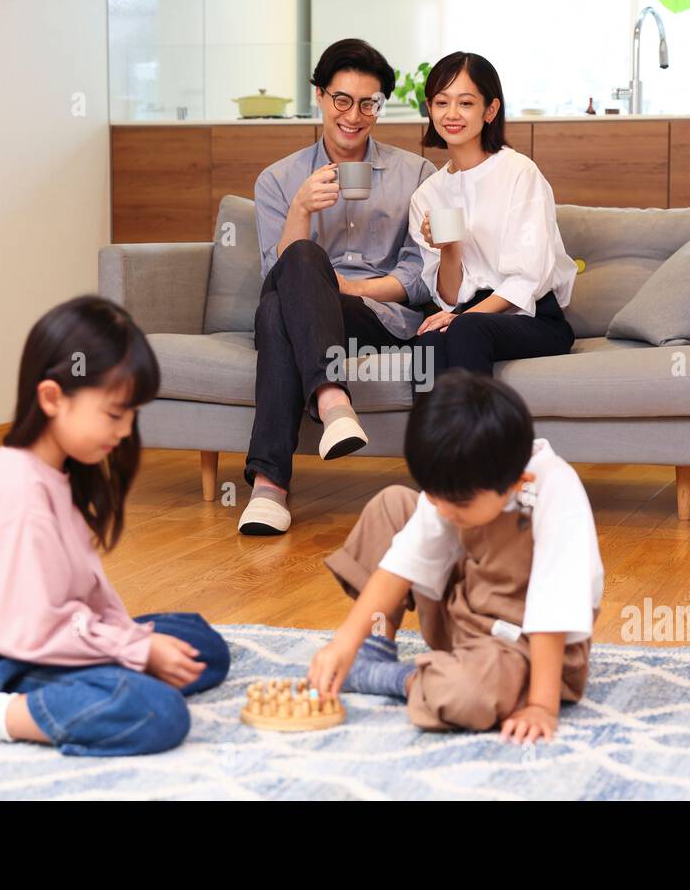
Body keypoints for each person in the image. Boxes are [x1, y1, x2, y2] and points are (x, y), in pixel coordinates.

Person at [0, 295, 230, 757]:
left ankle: (98, 682)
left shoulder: (58, 472)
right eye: (115, 414)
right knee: (158, 713)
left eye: (131, 415)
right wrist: (135, 651)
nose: (126, 431)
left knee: (201, 646)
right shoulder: (19, 493)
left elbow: (81, 600)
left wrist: (129, 641)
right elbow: (29, 630)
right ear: (52, 397)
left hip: (45, 633)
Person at [308, 369, 603, 744]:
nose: (442, 509)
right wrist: (345, 643)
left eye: (458, 504)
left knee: (466, 693)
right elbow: (404, 559)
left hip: (522, 653)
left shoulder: (555, 491)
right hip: (462, 619)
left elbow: (555, 601)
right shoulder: (458, 485)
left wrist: (541, 705)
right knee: (393, 505)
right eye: (433, 495)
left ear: (517, 484)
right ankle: (376, 649)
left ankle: (405, 680)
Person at [239, 38, 437, 536]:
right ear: (321, 98)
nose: (354, 115)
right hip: (303, 312)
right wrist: (301, 211)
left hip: (377, 318)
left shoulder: (416, 173)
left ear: (379, 107)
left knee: (275, 315)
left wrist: (350, 291)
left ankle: (270, 487)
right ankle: (333, 404)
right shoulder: (278, 181)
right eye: (342, 100)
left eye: (368, 103)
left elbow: (418, 277)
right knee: (292, 276)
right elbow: (275, 275)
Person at [408, 52, 577, 379]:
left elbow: (529, 277)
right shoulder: (426, 195)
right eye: (442, 103)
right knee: (426, 345)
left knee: (466, 330)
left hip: (534, 317)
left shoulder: (518, 172)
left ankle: (480, 432)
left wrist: (462, 318)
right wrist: (449, 247)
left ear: (491, 110)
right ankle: (435, 433)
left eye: (466, 103)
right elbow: (449, 298)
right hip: (468, 313)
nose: (452, 114)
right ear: (429, 109)